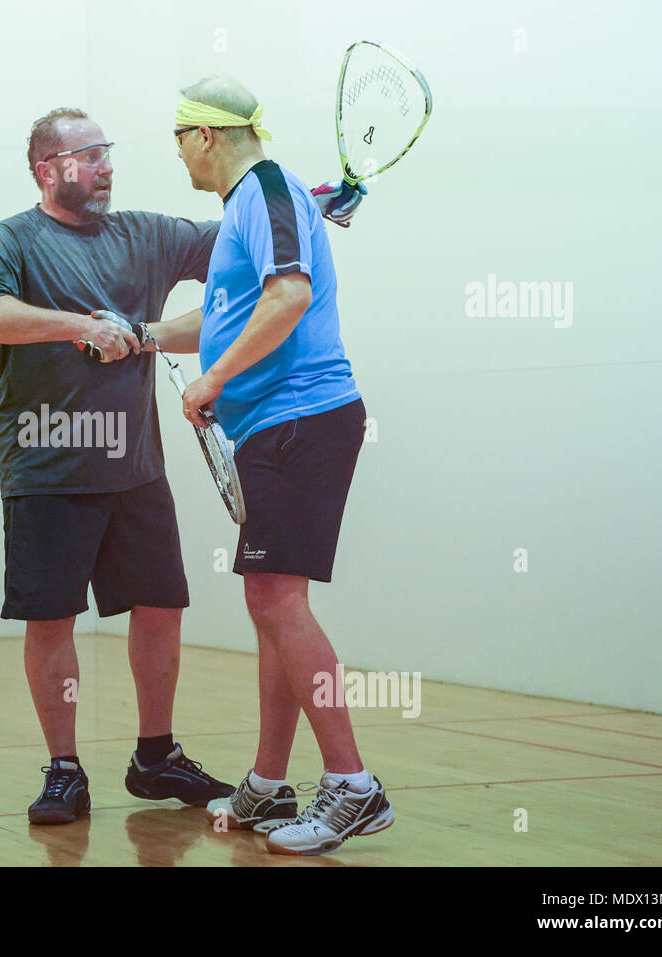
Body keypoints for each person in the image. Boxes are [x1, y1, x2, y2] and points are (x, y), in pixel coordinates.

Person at [0, 107, 236, 825]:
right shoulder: (13, 239)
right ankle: (64, 768)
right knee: (51, 619)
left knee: (162, 607)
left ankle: (155, 757)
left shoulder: (146, 234)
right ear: (48, 169)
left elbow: (241, 244)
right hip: (45, 471)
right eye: (91, 155)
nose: (108, 166)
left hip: (135, 469)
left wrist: (305, 202)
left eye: (109, 152)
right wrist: (81, 324)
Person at [143, 76, 393, 855]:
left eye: (178, 137)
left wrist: (214, 381)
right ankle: (269, 780)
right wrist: (143, 333)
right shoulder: (250, 209)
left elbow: (287, 296)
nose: (178, 153)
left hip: (302, 419)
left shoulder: (267, 189)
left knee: (280, 602)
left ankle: (352, 785)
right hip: (277, 430)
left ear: (206, 136)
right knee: (268, 600)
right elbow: (221, 319)